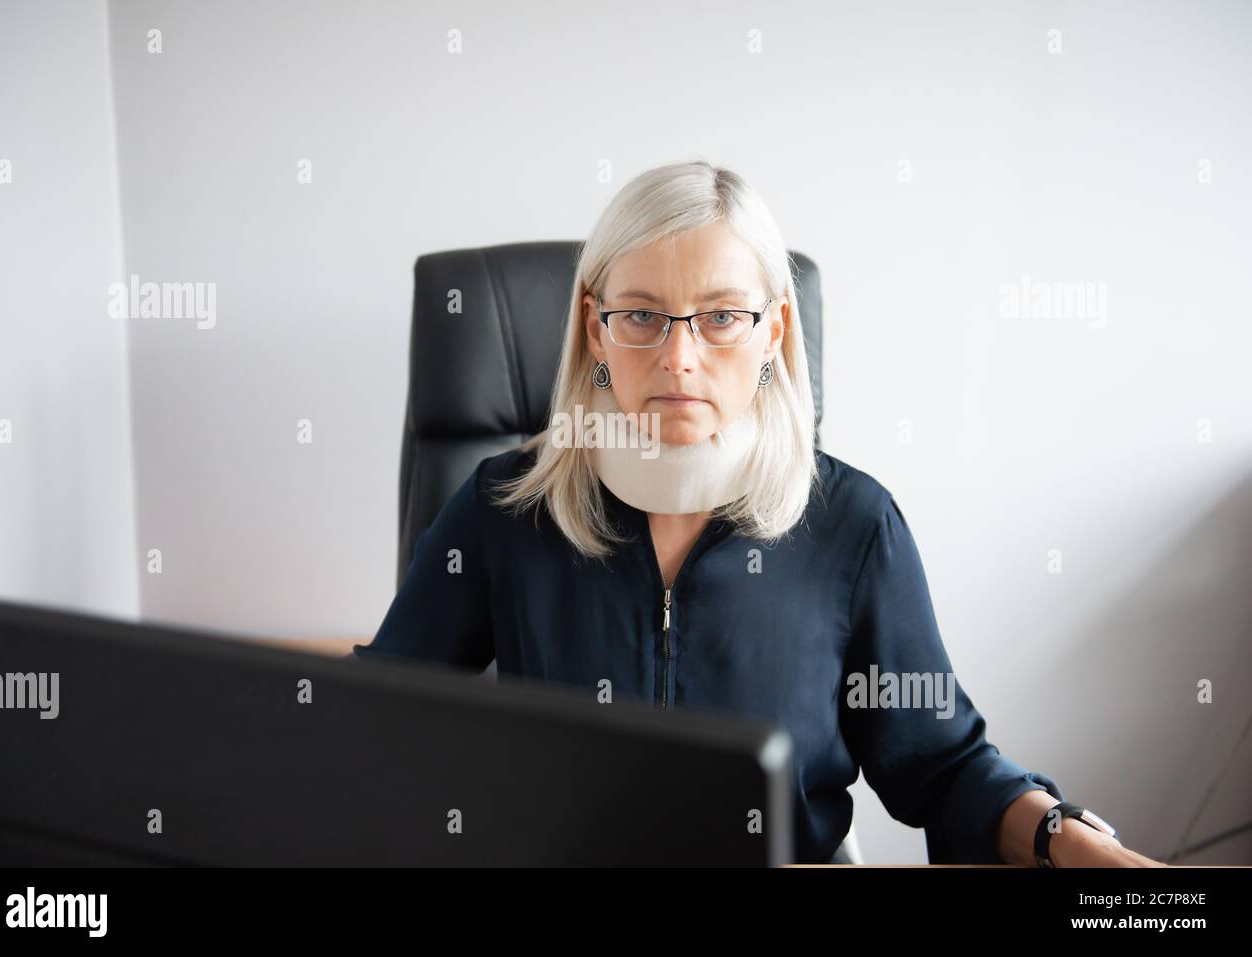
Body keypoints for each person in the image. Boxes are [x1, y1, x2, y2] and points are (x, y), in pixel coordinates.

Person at [353, 159, 1164, 867]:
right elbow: (381, 725)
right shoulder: (505, 509)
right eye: (640, 315)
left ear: (774, 330)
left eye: (721, 316)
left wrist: (1061, 833)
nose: (679, 357)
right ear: (594, 330)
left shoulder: (851, 525)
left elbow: (945, 767)